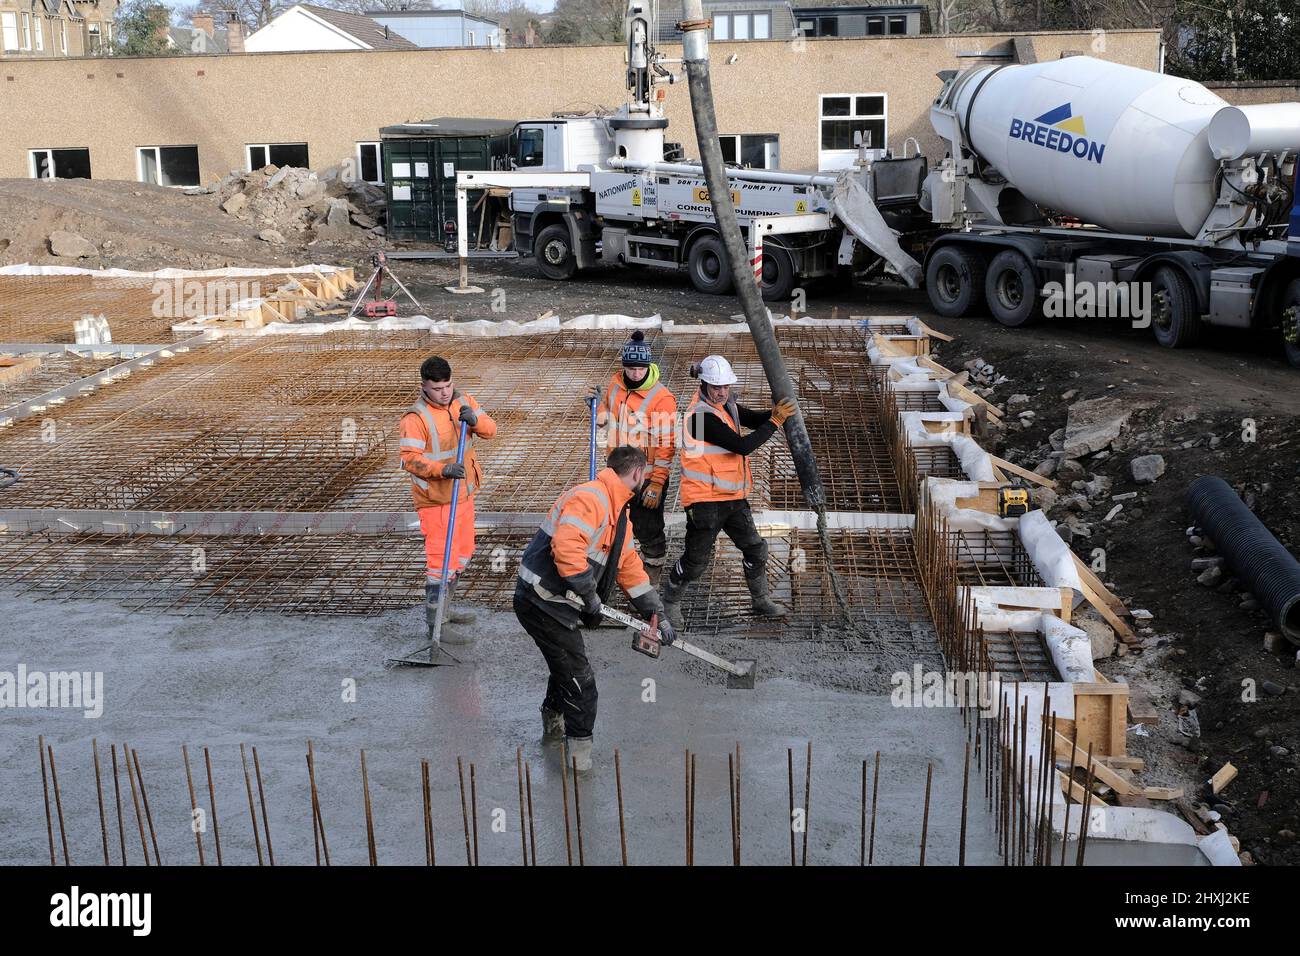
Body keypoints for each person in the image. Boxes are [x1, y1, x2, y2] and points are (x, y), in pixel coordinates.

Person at [514, 445, 674, 771]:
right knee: (581, 682)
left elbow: (630, 569)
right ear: (638, 474)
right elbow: (567, 550)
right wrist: (590, 596)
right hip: (542, 600)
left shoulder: (618, 514)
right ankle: (579, 762)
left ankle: (554, 725)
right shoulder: (591, 499)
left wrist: (655, 613)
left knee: (566, 667)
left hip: (553, 601)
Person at [660, 354, 798, 630]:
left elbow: (751, 418)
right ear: (703, 385)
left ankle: (760, 600)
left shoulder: (727, 404)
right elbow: (742, 446)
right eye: (716, 387)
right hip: (704, 502)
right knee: (695, 563)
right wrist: (776, 422)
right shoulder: (699, 417)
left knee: (757, 550)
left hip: (733, 499)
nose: (722, 392)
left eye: (725, 387)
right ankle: (670, 602)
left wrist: (773, 413)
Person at [399, 356, 496, 647]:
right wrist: (442, 470)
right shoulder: (415, 419)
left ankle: (447, 609)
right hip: (436, 501)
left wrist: (476, 420)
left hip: (463, 495)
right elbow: (409, 460)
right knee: (440, 564)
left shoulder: (462, 401)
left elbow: (492, 430)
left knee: (463, 554)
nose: (444, 392)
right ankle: (435, 627)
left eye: (448, 385)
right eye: (437, 388)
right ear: (424, 387)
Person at [586, 329, 677, 580]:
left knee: (648, 528)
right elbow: (609, 422)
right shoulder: (616, 385)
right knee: (614, 522)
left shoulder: (662, 398)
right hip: (616, 472)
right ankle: (617, 565)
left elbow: (667, 443)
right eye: (631, 368)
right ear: (624, 366)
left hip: (644, 477)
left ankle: (652, 570)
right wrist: (597, 406)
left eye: (641, 369)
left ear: (649, 366)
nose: (636, 373)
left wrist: (657, 482)